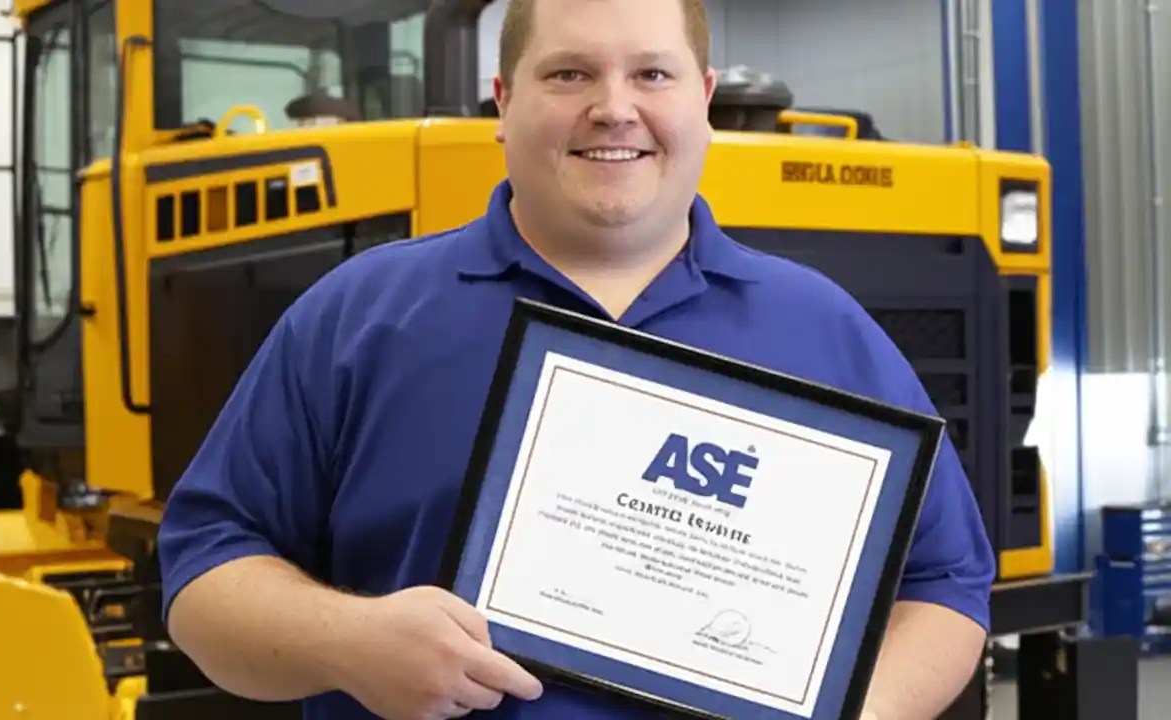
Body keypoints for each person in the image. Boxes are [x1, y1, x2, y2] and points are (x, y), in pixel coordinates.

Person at [157, 0, 996, 718]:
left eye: (652, 76)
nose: (613, 108)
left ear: (703, 100)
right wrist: (350, 644)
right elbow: (204, 570)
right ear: (503, 101)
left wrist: (862, 710)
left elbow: (946, 582)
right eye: (569, 75)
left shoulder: (826, 331)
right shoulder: (356, 320)